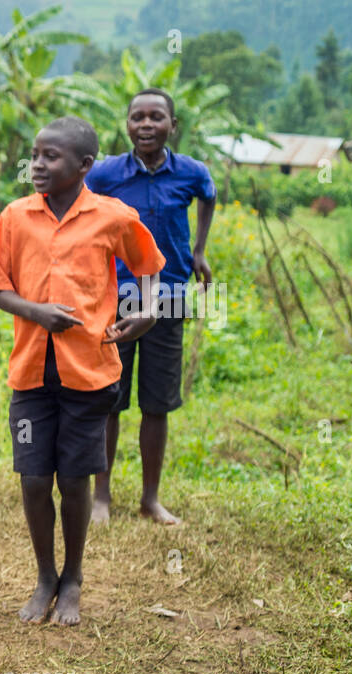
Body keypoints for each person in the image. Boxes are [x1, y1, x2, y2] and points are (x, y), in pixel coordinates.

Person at [0, 118, 165, 626]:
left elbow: (149, 265)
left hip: (91, 372)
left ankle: (74, 578)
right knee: (35, 479)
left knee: (76, 480)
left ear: (84, 166)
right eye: (35, 155)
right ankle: (45, 576)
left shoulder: (113, 216)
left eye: (50, 157)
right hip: (31, 375)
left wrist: (146, 311)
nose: (37, 165)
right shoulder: (15, 217)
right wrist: (36, 312)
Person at [86, 88, 217, 526]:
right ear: (126, 124)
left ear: (172, 126)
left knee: (157, 402)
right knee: (108, 397)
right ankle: (100, 496)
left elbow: (209, 195)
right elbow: (80, 207)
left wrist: (199, 251)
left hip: (170, 295)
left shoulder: (191, 172)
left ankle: (150, 498)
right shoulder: (105, 174)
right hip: (116, 297)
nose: (146, 125)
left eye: (156, 117)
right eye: (137, 117)